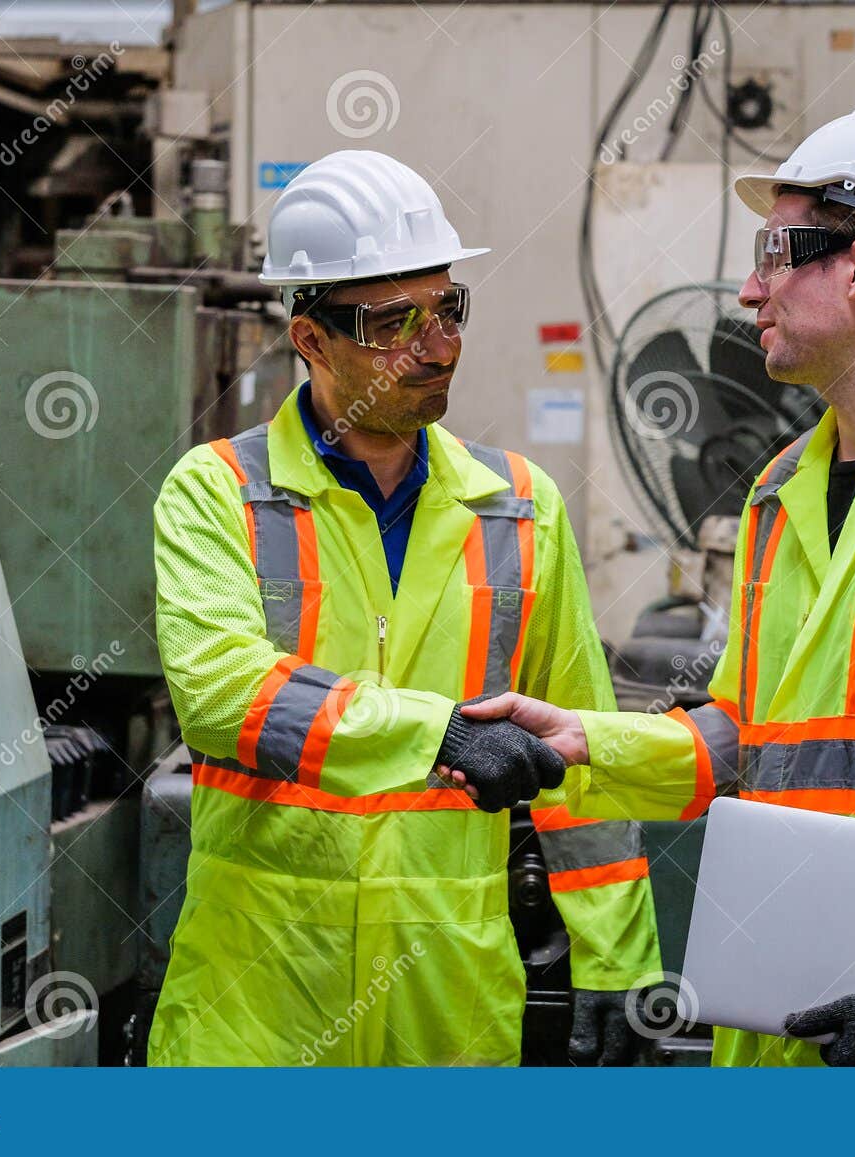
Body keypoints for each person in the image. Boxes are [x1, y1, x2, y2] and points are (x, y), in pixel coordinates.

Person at [447, 109, 855, 1068]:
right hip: (775, 1031)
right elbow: (749, 742)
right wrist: (585, 742)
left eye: (775, 252)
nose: (747, 287)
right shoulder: (779, 491)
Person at [147, 150, 661, 1066]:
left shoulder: (519, 506)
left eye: (448, 308)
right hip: (259, 1005)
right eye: (395, 323)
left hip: (448, 1002)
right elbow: (226, 695)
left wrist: (618, 955)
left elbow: (582, 751)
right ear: (311, 339)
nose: (438, 346)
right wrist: (441, 735)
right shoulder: (219, 492)